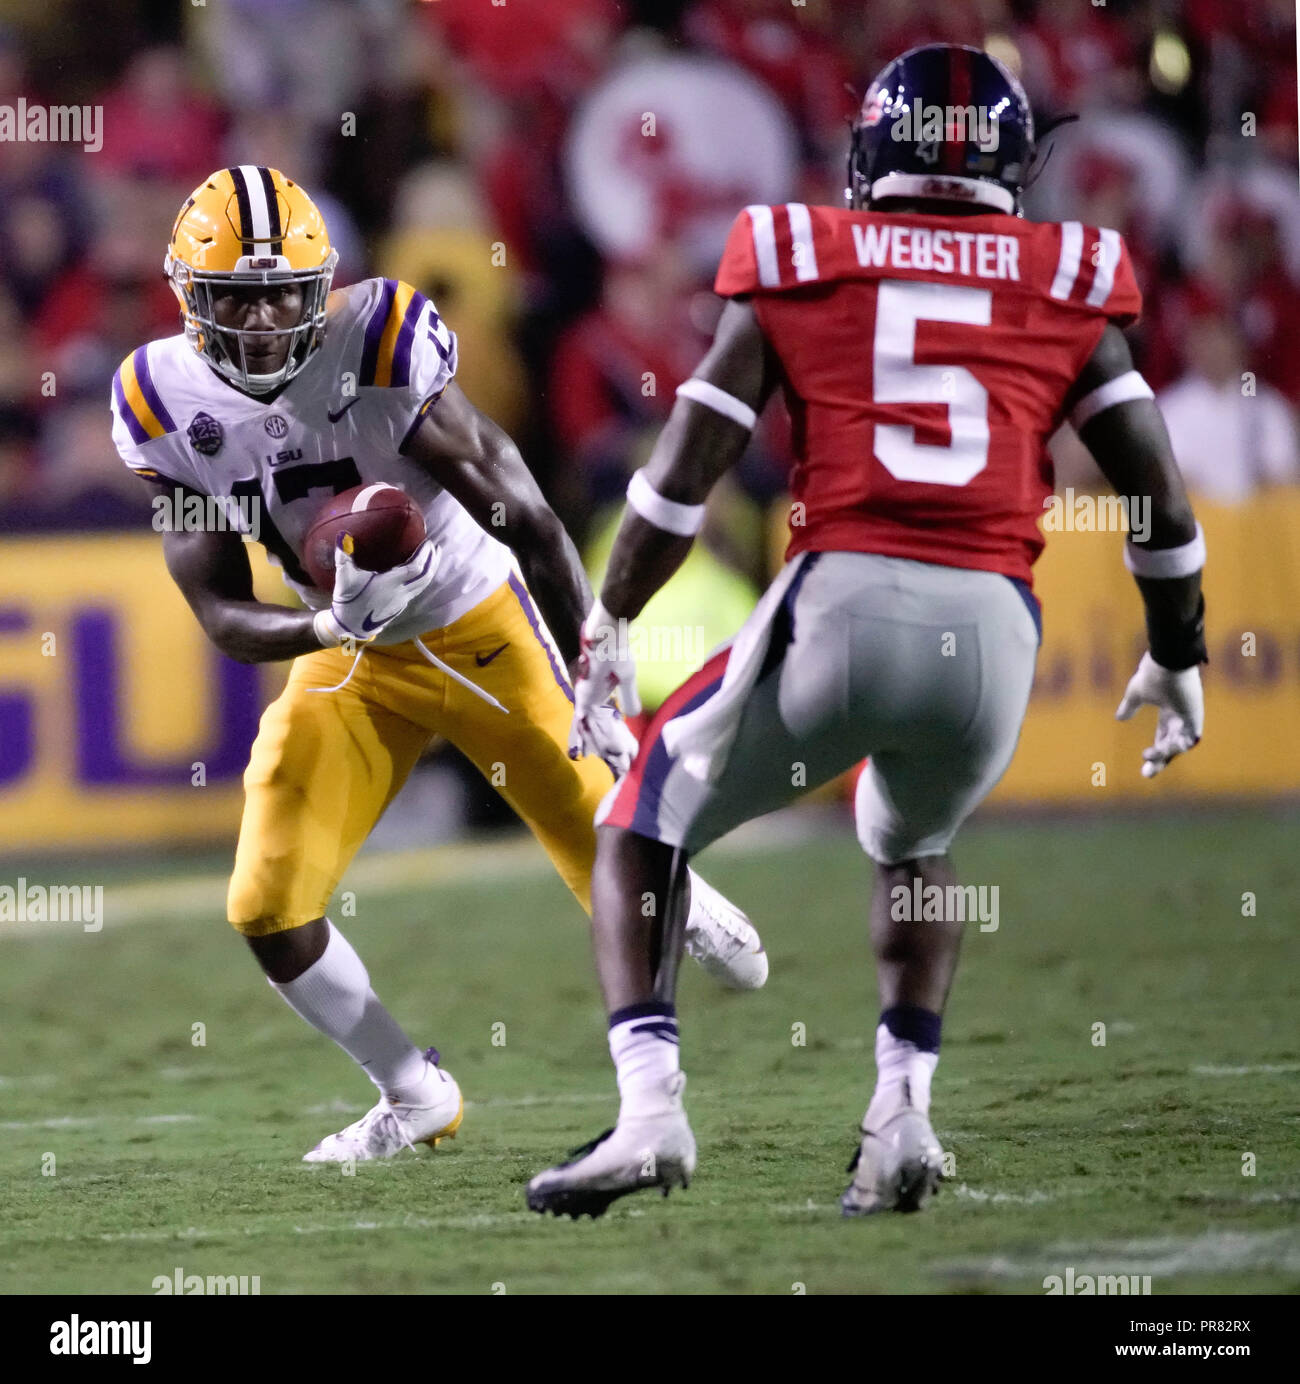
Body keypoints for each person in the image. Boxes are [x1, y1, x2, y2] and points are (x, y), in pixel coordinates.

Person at [528, 45, 1207, 1218]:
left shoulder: (803, 255)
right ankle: (902, 1116)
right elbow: (1161, 496)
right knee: (909, 841)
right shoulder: (1067, 272)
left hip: (846, 594)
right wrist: (1178, 648)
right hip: (993, 634)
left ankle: (650, 1113)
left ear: (869, 157)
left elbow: (683, 475)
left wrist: (609, 615)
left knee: (639, 820)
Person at [109, 166, 767, 1164]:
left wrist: (598, 662)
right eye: (238, 297)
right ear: (192, 302)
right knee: (265, 903)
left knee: (631, 895)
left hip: (472, 620)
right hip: (354, 651)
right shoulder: (159, 399)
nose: (266, 316)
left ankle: (662, 868)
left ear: (321, 282)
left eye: (286, 289)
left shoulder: (377, 342)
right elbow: (219, 611)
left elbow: (531, 517)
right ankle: (412, 1092)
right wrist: (327, 631)